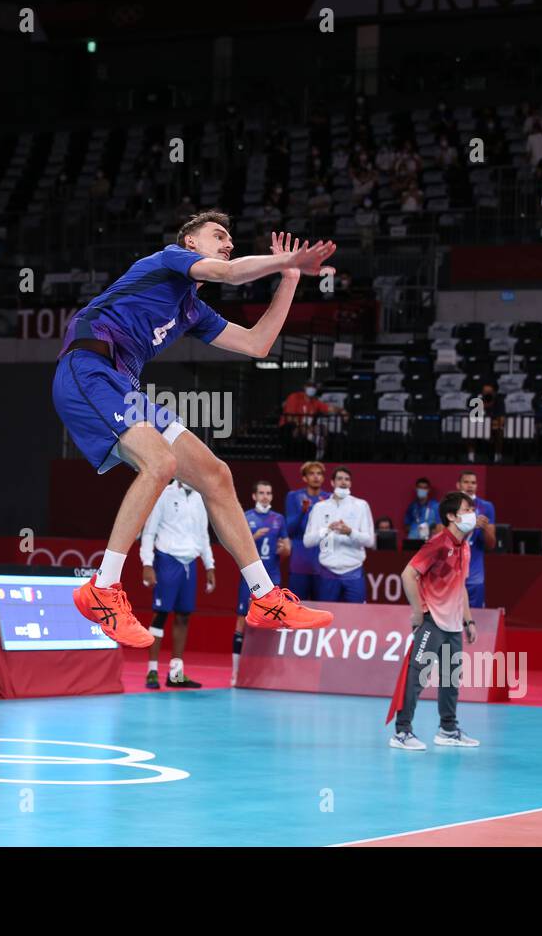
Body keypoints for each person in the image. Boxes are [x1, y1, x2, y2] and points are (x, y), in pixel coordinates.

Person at [54, 214, 337, 645]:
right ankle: (103, 588)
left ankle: (264, 597)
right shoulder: (168, 259)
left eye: (229, 239)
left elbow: (256, 344)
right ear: (190, 241)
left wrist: (291, 277)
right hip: (88, 367)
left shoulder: (192, 309)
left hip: (123, 386)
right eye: (218, 236)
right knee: (161, 462)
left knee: (216, 475)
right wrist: (283, 260)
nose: (227, 244)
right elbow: (230, 274)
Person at [390, 491, 481, 751]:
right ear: (452, 516)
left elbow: (460, 585)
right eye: (466, 509)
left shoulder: (464, 546)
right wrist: (418, 612)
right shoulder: (438, 543)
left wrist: (469, 621)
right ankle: (402, 732)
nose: (471, 514)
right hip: (432, 621)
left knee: (451, 679)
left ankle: (448, 729)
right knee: (417, 677)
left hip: (453, 625)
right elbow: (408, 574)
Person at [140, 479, 215, 689]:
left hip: (190, 562)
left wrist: (209, 566)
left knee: (183, 616)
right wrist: (147, 562)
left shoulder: (200, 497)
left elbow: (203, 535)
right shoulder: (164, 493)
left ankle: (176, 673)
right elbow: (149, 531)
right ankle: (152, 671)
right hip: (167, 559)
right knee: (161, 613)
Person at [232, 481, 289, 686]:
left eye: (269, 493)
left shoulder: (279, 519)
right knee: (241, 620)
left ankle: (274, 673)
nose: (265, 496)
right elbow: (233, 546)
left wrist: (285, 549)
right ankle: (236, 673)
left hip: (272, 576)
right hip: (248, 577)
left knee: (276, 620)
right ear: (254, 496)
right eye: (262, 493)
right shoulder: (245, 518)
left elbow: (287, 548)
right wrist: (252, 538)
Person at [303, 467, 374, 603]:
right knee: (328, 618)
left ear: (350, 483)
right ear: (332, 482)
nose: (343, 482)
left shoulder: (361, 505)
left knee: (357, 617)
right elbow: (307, 541)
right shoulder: (320, 507)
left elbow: (370, 541)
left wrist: (350, 532)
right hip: (328, 571)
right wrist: (327, 530)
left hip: (353, 571)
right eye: (340, 479)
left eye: (347, 479)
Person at [435, 470, 496, 607]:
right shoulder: (446, 506)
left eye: (473, 483)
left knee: (473, 619)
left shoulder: (486, 507)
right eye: (466, 482)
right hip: (449, 570)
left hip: (474, 573)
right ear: (458, 485)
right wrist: (469, 524)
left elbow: (491, 544)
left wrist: (485, 527)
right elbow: (440, 538)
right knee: (446, 618)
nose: (470, 486)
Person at [285, 461, 331, 600]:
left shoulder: (329, 498)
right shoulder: (293, 497)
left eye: (319, 474)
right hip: (300, 562)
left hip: (323, 563)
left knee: (324, 610)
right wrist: (302, 511)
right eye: (311, 474)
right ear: (304, 478)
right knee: (295, 608)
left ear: (323, 478)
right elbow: (289, 529)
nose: (316, 477)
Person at [403, 477, 437, 544]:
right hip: (413, 541)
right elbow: (406, 526)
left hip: (430, 541)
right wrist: (415, 530)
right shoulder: (412, 507)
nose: (422, 490)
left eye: (425, 488)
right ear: (416, 489)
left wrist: (430, 530)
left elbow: (440, 525)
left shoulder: (435, 506)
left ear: (428, 490)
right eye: (420, 487)